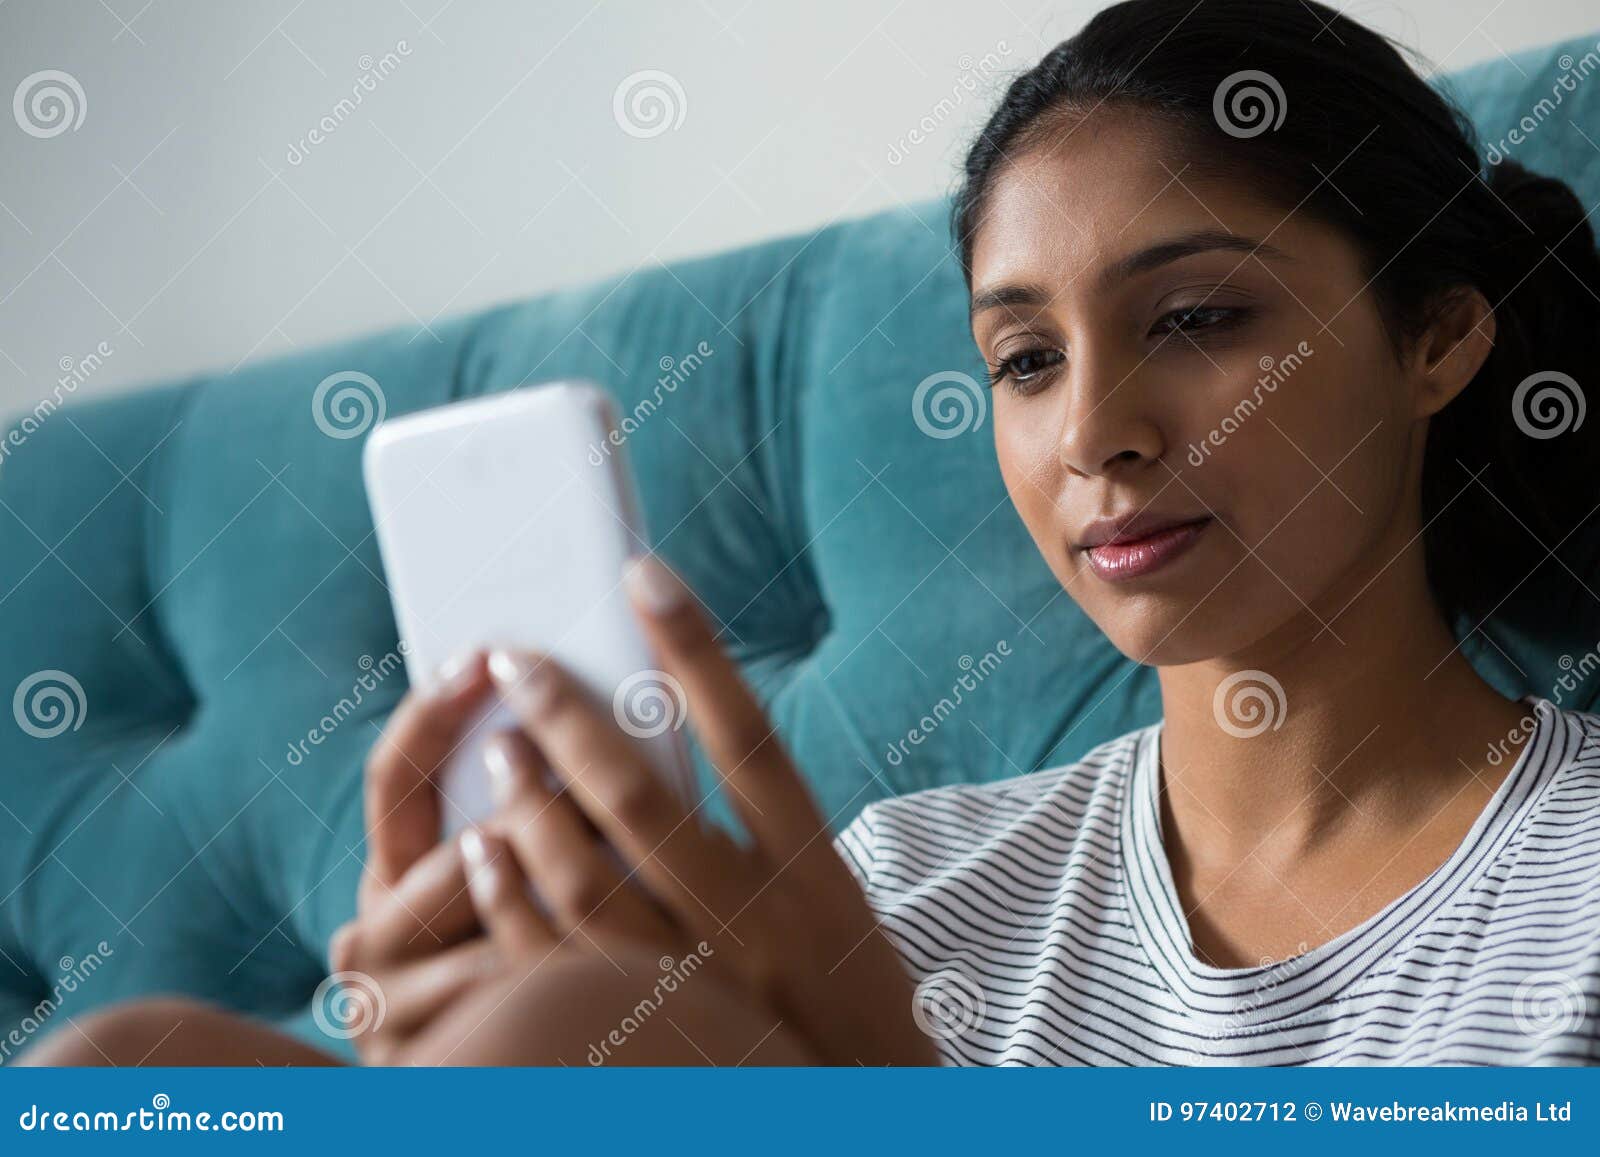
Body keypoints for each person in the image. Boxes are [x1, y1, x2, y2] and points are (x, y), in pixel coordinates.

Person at [25, 0, 1600, 1067]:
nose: (1095, 434)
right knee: (126, 1067)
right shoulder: (903, 876)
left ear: (1436, 341)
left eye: (1194, 317)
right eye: (1026, 360)